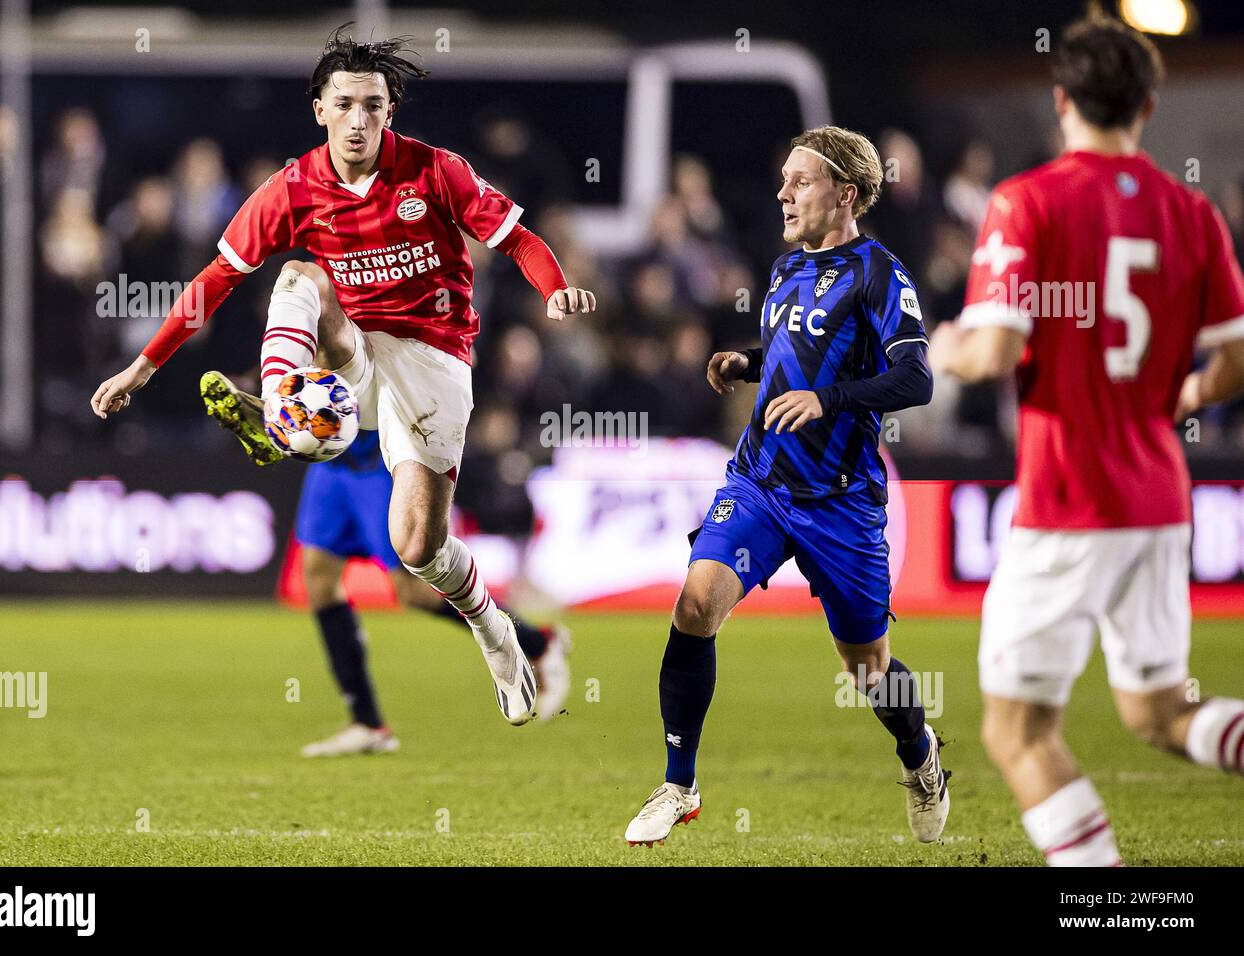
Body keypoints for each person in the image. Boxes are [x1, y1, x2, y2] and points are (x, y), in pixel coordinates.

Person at [91, 27, 595, 727]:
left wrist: (554, 287)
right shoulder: (294, 187)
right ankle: (280, 406)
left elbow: (517, 237)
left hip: (432, 357)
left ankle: (498, 635)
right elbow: (217, 280)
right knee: (300, 274)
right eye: (346, 104)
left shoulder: (434, 171)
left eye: (374, 105)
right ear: (319, 110)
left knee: (417, 550)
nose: (360, 119)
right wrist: (145, 364)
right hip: (352, 347)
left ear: (390, 112)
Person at [929, 15, 1244, 867]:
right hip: (1157, 498)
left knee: (1017, 731)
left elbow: (994, 350)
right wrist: (1191, 390)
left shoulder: (1026, 200)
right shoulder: (1192, 211)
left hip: (1067, 500)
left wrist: (949, 342)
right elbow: (1235, 356)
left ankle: (1104, 900)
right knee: (1160, 714)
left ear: (1061, 97)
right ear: (1146, 105)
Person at [623, 126, 948, 847]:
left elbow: (916, 376)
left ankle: (920, 755)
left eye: (800, 180)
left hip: (840, 501)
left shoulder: (879, 273)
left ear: (846, 193)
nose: (784, 192)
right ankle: (679, 783)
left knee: (868, 670)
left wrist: (829, 400)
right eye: (784, 179)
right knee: (695, 602)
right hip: (762, 481)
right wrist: (746, 360)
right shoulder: (782, 269)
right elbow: (795, 346)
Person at [294, 429, 571, 757]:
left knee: (415, 591)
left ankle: (537, 642)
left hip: (380, 457)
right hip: (330, 460)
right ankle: (367, 724)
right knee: (319, 580)